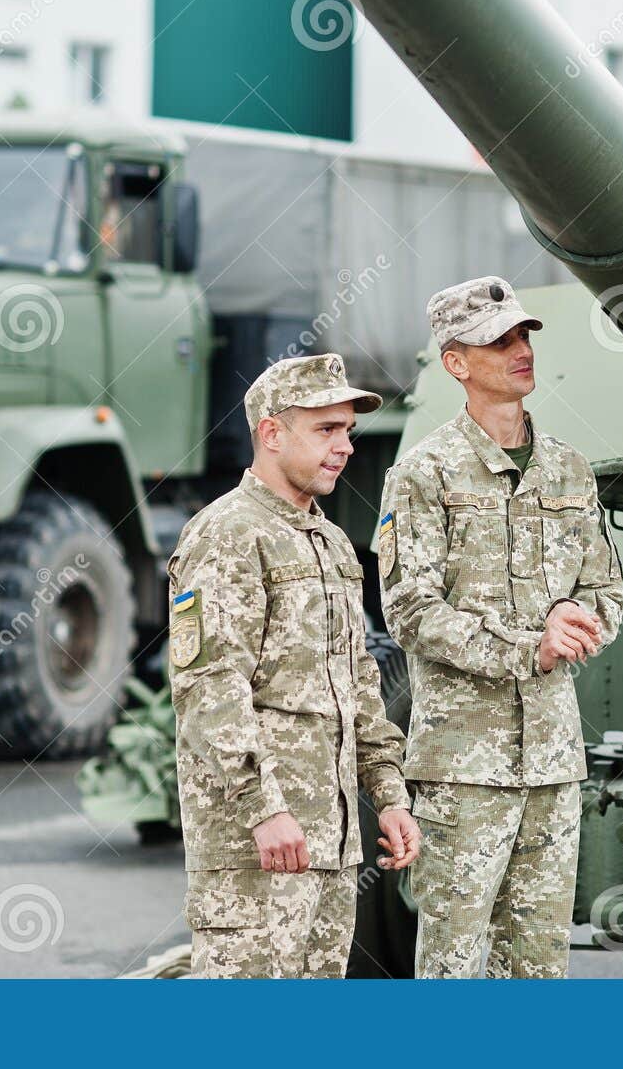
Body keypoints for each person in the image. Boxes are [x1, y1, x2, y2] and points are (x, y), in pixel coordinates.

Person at [378, 276, 623, 978]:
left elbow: (606, 587)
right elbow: (412, 611)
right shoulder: (422, 474)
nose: (521, 350)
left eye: (523, 335)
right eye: (499, 340)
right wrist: (530, 646)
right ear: (456, 361)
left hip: (551, 761)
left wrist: (581, 619)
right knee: (454, 964)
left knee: (540, 965)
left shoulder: (570, 471)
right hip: (464, 768)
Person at [168, 353, 420, 978]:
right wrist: (264, 809)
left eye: (348, 432)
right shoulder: (226, 534)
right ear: (272, 433)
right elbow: (208, 684)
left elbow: (359, 688)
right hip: (255, 849)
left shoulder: (331, 541)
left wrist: (389, 797)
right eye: (326, 430)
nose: (344, 448)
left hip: (329, 850)